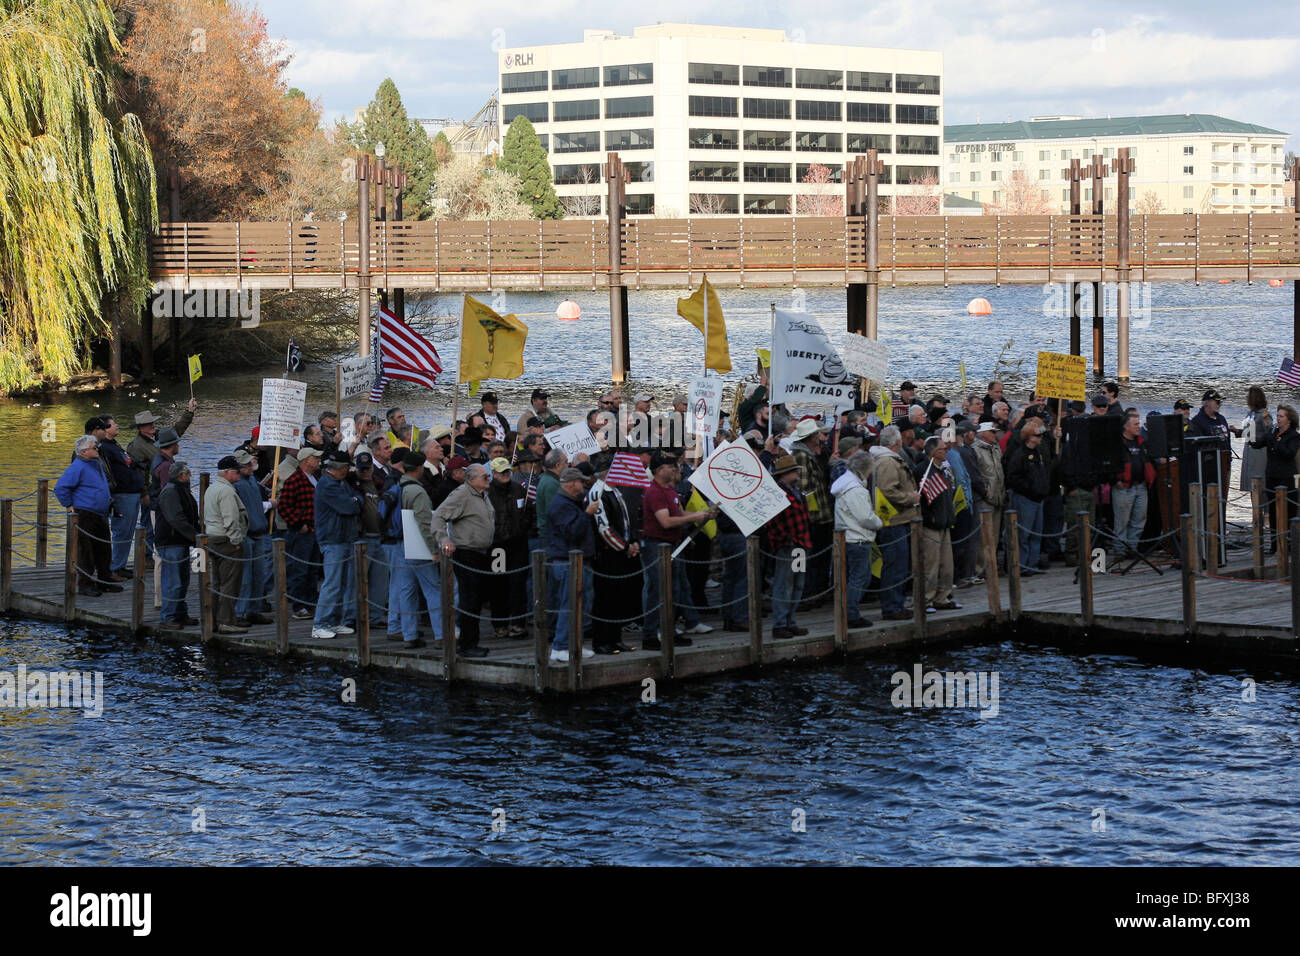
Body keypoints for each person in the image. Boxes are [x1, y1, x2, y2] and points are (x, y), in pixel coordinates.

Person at [640, 453, 713, 649]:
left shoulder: (670, 491)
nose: (673, 468)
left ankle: (669, 631)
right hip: (657, 546)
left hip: (672, 545)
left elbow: (679, 514)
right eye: (668, 466)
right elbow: (666, 521)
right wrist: (694, 517)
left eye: (673, 466)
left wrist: (703, 515)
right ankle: (650, 635)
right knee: (658, 591)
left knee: (676, 589)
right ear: (657, 470)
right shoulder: (655, 492)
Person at [433, 463, 496, 658]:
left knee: (477, 598)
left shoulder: (482, 494)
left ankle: (471, 641)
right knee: (470, 598)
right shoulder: (462, 494)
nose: (488, 479)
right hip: (466, 552)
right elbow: (438, 516)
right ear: (472, 479)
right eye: (485, 476)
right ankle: (467, 645)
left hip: (481, 552)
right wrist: (444, 539)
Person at [587, 453, 643, 652]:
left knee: (619, 597)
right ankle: (602, 641)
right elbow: (604, 529)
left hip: (622, 551)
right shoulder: (598, 493)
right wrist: (625, 546)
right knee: (605, 598)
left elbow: (627, 520)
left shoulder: (615, 491)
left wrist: (633, 541)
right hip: (607, 555)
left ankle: (615, 638)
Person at [388, 451, 441, 648]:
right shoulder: (417, 492)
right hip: (418, 545)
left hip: (401, 545)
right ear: (419, 468)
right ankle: (441, 634)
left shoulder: (398, 486)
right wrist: (434, 548)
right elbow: (424, 522)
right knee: (433, 590)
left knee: (406, 591)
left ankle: (409, 635)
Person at [55, 434, 120, 596]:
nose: (97, 449)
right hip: (85, 512)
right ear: (84, 452)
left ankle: (104, 579)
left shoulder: (94, 463)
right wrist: (69, 505)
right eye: (93, 447)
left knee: (104, 547)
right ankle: (85, 584)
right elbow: (61, 487)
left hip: (99, 512)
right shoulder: (78, 467)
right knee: (86, 550)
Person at [546, 467, 598, 662]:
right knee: (569, 604)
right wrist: (587, 514)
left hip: (578, 560)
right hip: (567, 561)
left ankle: (574, 644)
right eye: (579, 481)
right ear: (570, 483)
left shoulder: (570, 503)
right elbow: (572, 532)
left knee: (580, 605)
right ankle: (560, 646)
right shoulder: (561, 505)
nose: (582, 485)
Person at [311, 450, 362, 640]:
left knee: (343, 583)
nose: (349, 470)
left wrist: (354, 500)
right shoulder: (327, 485)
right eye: (347, 467)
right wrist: (354, 501)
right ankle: (320, 624)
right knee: (332, 584)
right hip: (333, 540)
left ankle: (334, 621)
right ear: (339, 469)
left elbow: (357, 499)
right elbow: (350, 506)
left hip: (344, 538)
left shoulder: (340, 483)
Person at [873, 425, 919, 621]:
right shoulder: (888, 462)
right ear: (897, 443)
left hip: (898, 519)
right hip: (893, 520)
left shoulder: (885, 460)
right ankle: (892, 606)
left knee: (899, 564)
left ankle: (896, 603)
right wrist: (910, 498)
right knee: (895, 565)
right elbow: (888, 490)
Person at [831, 450, 882, 628]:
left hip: (850, 537)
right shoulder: (855, 490)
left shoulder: (847, 485)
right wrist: (879, 522)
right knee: (859, 579)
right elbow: (865, 517)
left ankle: (848, 611)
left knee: (859, 578)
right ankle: (850, 615)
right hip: (857, 539)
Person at [764, 455, 812, 639]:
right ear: (785, 474)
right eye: (794, 470)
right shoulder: (778, 492)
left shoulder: (795, 490)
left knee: (797, 584)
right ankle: (780, 623)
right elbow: (773, 523)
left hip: (800, 543)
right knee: (785, 584)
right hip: (789, 545)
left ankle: (790, 621)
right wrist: (786, 539)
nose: (798, 472)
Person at [203, 455, 249, 634]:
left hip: (213, 538)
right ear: (227, 473)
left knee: (218, 583)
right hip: (226, 540)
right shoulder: (227, 492)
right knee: (230, 582)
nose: (239, 473)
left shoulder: (212, 489)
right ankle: (226, 621)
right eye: (236, 471)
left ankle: (214, 619)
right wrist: (236, 541)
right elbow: (231, 519)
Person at [915, 436, 960, 612]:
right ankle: (926, 599)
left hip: (945, 522)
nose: (947, 451)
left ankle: (942, 597)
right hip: (931, 524)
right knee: (931, 566)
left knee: (947, 565)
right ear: (934, 452)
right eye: (943, 449)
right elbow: (921, 499)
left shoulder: (944, 470)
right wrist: (929, 517)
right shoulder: (923, 470)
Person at [97, 415, 145, 578]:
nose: (117, 426)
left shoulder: (114, 445)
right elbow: (106, 472)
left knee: (128, 531)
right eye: (113, 424)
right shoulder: (103, 448)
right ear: (105, 429)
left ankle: (120, 564)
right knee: (121, 531)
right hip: (122, 495)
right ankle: (115, 566)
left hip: (132, 493)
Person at [487, 456, 529, 639]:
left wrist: (524, 526)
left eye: (507, 471)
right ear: (494, 474)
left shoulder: (518, 488)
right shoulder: (487, 492)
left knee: (518, 584)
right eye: (501, 471)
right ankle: (500, 624)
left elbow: (527, 511)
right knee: (498, 585)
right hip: (497, 545)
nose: (505, 474)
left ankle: (518, 623)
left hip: (517, 543)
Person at [279, 446, 323, 620]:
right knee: (300, 569)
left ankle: (311, 602)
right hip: (302, 531)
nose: (318, 460)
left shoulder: (315, 478)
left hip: (315, 529)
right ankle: (298, 605)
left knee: (313, 569)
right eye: (315, 458)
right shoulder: (294, 480)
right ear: (306, 461)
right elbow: (284, 506)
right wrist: (298, 523)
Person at [233, 449, 274, 626]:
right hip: (247, 534)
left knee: (259, 575)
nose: (251, 466)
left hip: (260, 531)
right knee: (246, 578)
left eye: (251, 463)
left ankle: (254, 609)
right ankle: (240, 612)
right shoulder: (236, 485)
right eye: (247, 464)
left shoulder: (252, 480)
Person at [155, 460, 197, 628]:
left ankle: (180, 613)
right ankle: (168, 617)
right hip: (171, 542)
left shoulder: (181, 490)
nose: (190, 476)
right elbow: (176, 519)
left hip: (180, 541)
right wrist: (195, 536)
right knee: (173, 581)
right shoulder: (171, 492)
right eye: (188, 473)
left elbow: (189, 514)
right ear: (181, 476)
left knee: (183, 580)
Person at [1003, 422, 1050, 575]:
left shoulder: (1039, 452)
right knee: (1023, 535)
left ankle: (1032, 564)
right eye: (1037, 435)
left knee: (1036, 534)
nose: (1040, 437)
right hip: (1025, 499)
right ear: (1029, 437)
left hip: (1038, 499)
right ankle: (1022, 565)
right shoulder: (1020, 454)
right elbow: (1013, 478)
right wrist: (1030, 489)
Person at [1112, 409, 1156, 561]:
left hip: (1141, 486)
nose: (1139, 426)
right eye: (1135, 424)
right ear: (1126, 426)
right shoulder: (1117, 443)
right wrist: (1115, 480)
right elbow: (1109, 464)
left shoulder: (1142, 442)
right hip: (1124, 487)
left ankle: (1133, 548)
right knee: (1122, 521)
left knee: (1139, 520)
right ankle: (1119, 550)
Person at [951, 421, 988, 586]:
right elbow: (970, 476)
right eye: (972, 432)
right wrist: (984, 491)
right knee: (970, 539)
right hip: (970, 498)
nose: (975, 435)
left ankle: (967, 572)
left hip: (969, 497)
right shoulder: (962, 452)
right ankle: (967, 572)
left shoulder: (963, 451)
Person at [971, 421, 1006, 578]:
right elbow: (976, 474)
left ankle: (991, 565)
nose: (995, 434)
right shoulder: (976, 450)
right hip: (986, 498)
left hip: (998, 497)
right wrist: (985, 491)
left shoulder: (996, 448)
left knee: (995, 535)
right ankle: (981, 568)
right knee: (983, 536)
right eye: (992, 432)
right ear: (983, 433)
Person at [1265, 404, 1300, 553]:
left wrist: (1277, 443)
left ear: (1289, 420)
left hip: (1287, 478)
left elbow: (1289, 454)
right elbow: (1254, 442)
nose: (1278, 419)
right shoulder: (1273, 433)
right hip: (1272, 476)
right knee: (1273, 511)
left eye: (1281, 416)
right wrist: (1253, 424)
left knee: (1290, 512)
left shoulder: (1294, 436)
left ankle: (1290, 545)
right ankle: (1274, 545)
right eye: (1277, 416)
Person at [1241, 385, 1272, 493]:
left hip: (1259, 452)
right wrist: (1237, 431)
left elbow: (1269, 432)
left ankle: (1264, 509)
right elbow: (1248, 432)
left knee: (1260, 484)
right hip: (1248, 451)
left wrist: (1266, 421)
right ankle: (1255, 508)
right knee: (1251, 485)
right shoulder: (1250, 414)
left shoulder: (1264, 414)